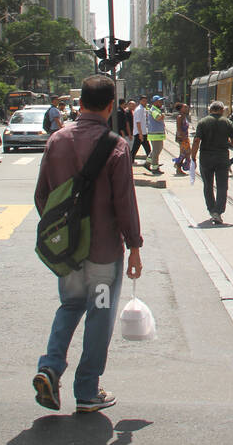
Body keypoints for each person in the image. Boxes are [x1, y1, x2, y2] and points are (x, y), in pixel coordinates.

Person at [33, 74, 143, 414]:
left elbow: (42, 198)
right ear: (111, 105)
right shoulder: (117, 146)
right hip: (103, 254)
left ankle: (50, 368)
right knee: (99, 316)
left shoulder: (57, 141)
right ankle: (87, 390)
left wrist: (64, 234)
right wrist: (134, 245)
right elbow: (124, 202)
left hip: (68, 253)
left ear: (79, 102)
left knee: (69, 306)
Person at [189, 100, 233, 224]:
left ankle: (212, 210)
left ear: (210, 109)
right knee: (222, 186)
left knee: (208, 185)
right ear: (222, 110)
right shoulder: (227, 122)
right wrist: (227, 141)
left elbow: (196, 141)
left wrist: (193, 157)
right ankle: (218, 211)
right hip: (222, 158)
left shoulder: (203, 122)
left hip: (206, 158)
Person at [173, 103, 192, 176]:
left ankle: (178, 166)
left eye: (187, 107)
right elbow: (179, 128)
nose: (187, 108)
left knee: (187, 153)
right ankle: (178, 167)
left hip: (185, 137)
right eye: (185, 107)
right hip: (182, 138)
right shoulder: (180, 117)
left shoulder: (184, 117)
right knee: (184, 153)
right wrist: (183, 137)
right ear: (181, 109)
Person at [131, 96, 150, 162]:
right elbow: (138, 122)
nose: (145, 102)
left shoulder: (143, 109)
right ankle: (151, 162)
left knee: (147, 149)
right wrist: (140, 134)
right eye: (143, 101)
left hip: (142, 132)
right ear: (140, 101)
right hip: (140, 133)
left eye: (146, 101)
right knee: (136, 149)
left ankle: (151, 162)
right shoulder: (139, 109)